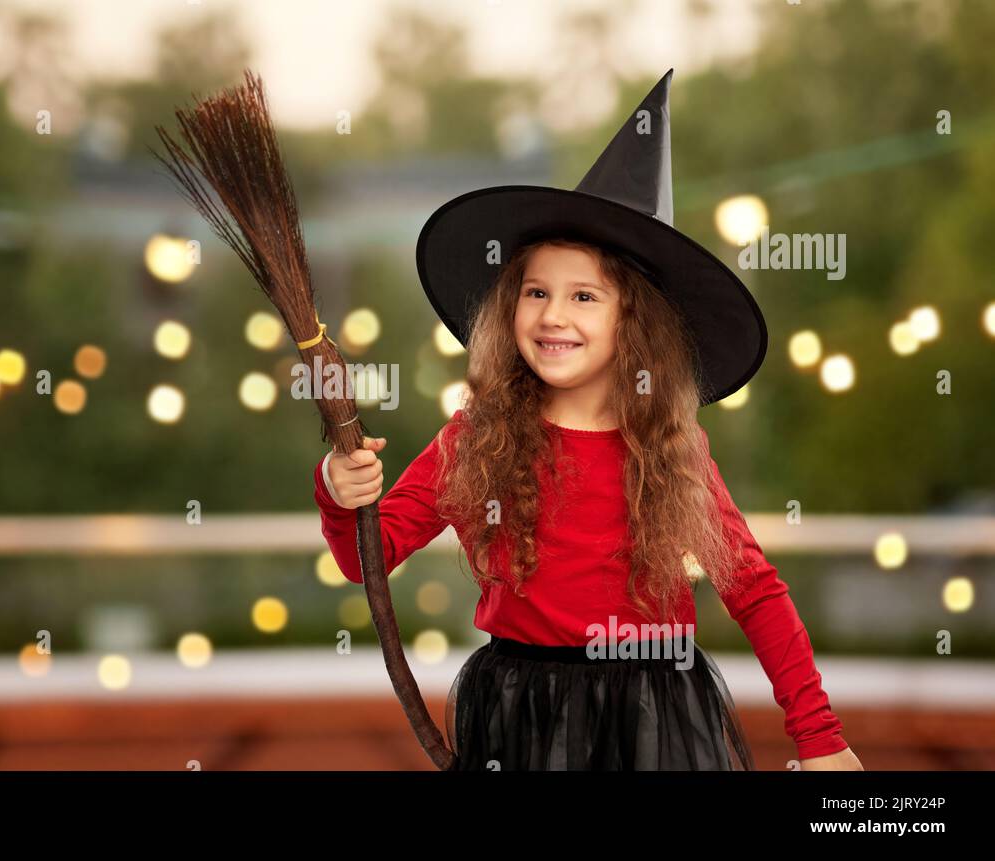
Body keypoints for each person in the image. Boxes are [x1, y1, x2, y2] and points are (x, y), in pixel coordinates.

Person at [310, 69, 863, 771]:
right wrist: (339, 489)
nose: (553, 316)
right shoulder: (479, 435)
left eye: (584, 296)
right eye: (536, 290)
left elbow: (754, 589)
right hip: (519, 718)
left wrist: (820, 737)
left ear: (635, 322)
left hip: (652, 718)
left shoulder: (670, 448)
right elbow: (367, 557)